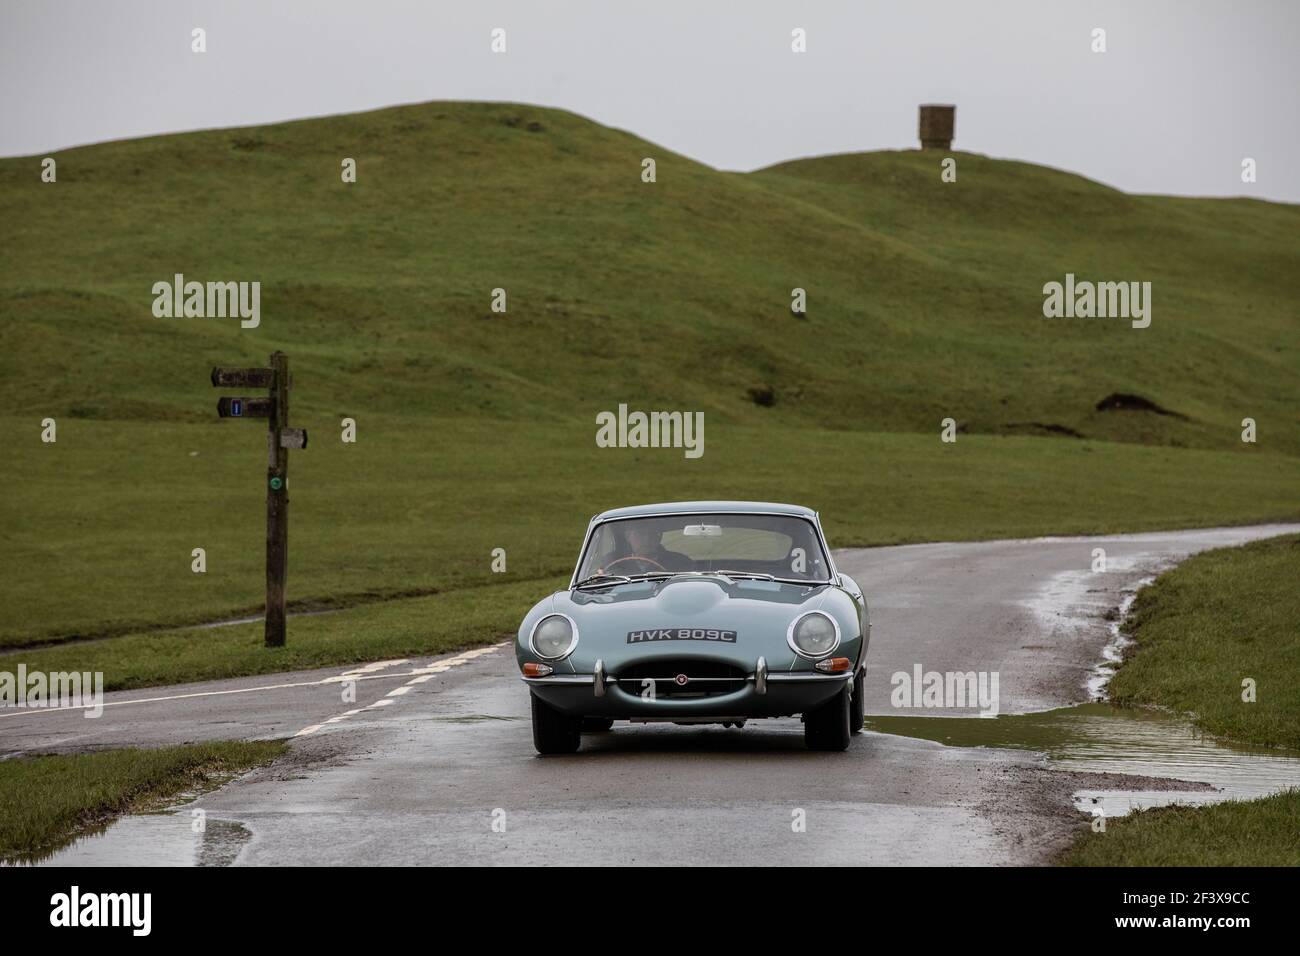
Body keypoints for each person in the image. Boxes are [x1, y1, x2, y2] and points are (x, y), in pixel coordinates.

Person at [613, 524, 693, 572]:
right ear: (628, 537)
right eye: (640, 533)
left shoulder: (680, 562)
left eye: (652, 534)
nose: (647, 539)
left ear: (659, 538)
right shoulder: (615, 562)